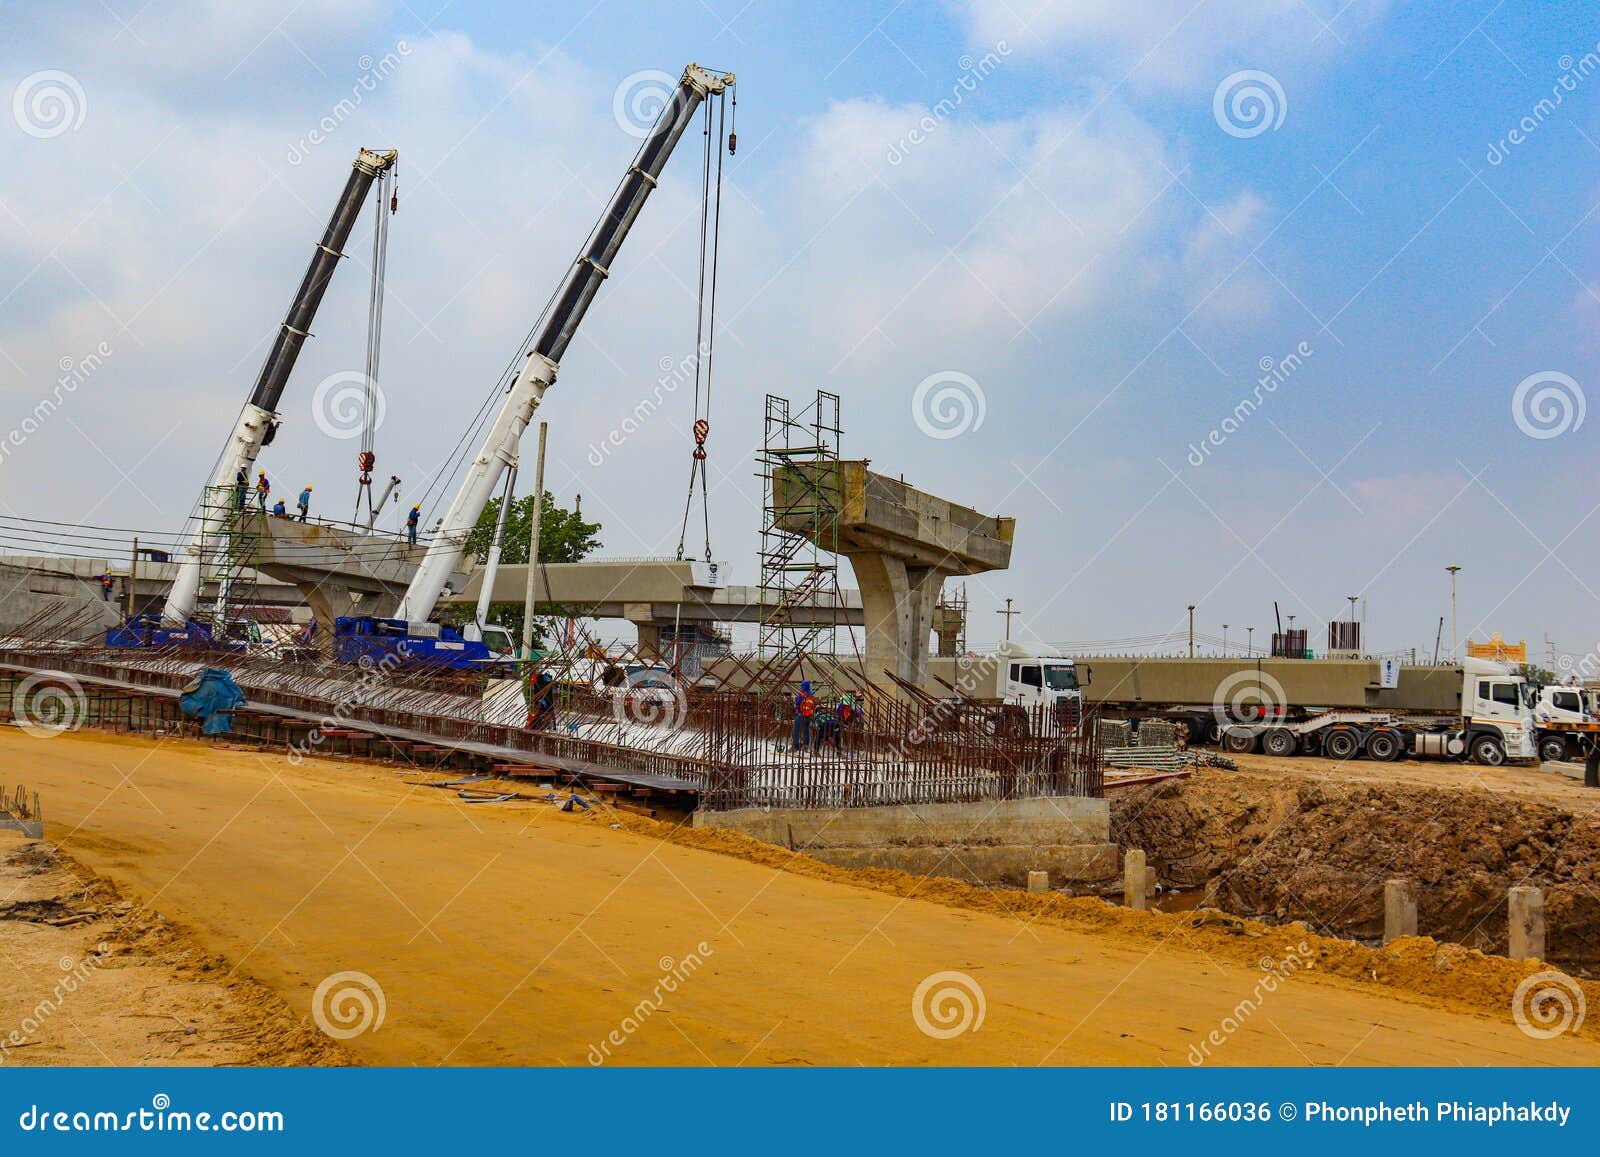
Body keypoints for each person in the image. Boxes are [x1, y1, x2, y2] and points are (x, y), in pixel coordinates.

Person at [791, 679, 815, 752]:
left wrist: (796, 707)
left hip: (800, 714)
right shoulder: (811, 694)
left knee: (796, 730)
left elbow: (797, 703)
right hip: (808, 715)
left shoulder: (801, 694)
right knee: (806, 730)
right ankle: (805, 746)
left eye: (802, 685)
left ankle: (795, 746)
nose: (801, 687)